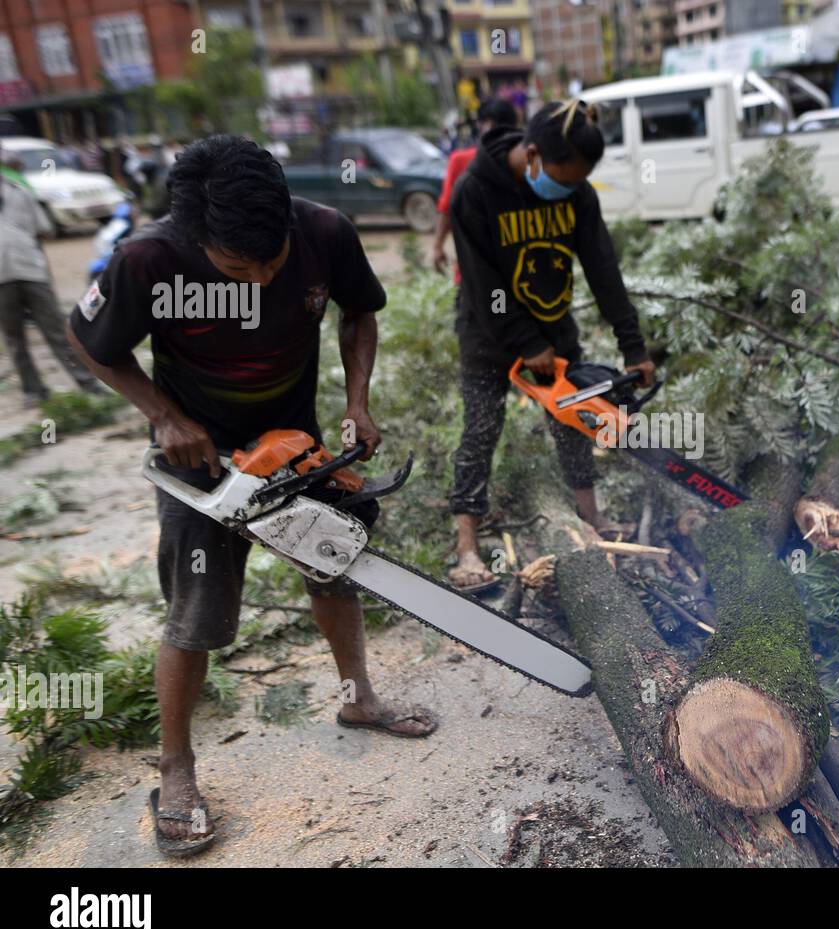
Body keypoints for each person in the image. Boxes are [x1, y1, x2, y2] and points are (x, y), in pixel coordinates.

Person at [66, 135, 436, 857]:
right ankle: (176, 768)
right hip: (198, 457)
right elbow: (89, 338)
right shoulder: (149, 259)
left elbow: (359, 313)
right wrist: (164, 416)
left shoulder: (324, 230)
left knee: (334, 567)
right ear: (198, 239)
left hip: (290, 436)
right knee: (197, 612)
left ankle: (358, 697)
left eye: (272, 261)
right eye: (242, 268)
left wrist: (358, 399)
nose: (264, 275)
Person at [447, 99, 654, 590]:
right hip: (488, 335)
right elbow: (482, 284)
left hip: (555, 333)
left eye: (577, 181)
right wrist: (524, 340)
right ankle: (466, 547)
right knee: (481, 430)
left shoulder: (577, 195)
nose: (567, 189)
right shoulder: (474, 192)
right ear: (533, 154)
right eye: (562, 179)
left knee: (577, 426)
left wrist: (634, 347)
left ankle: (591, 523)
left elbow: (603, 268)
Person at [0, 153, 104, 406]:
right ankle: (33, 391)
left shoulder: (19, 192)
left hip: (31, 270)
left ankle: (87, 382)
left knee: (57, 329)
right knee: (14, 338)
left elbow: (43, 230)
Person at [433, 97, 521, 278]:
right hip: (522, 269)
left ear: (485, 125)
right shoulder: (526, 160)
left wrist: (438, 246)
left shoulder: (462, 160)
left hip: (477, 274)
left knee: (496, 305)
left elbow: (447, 208)